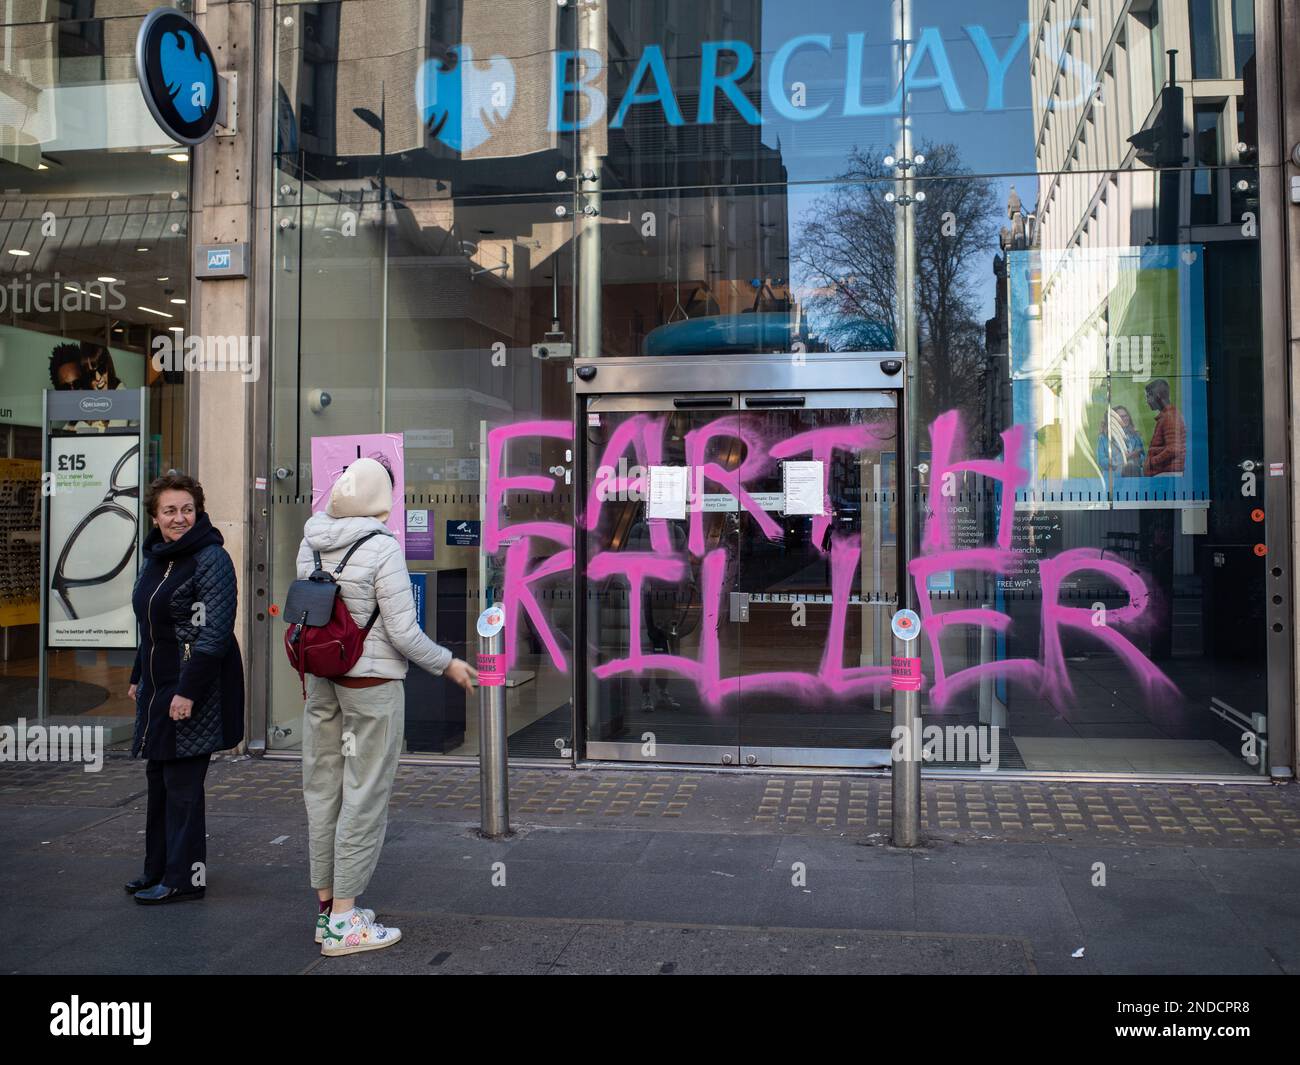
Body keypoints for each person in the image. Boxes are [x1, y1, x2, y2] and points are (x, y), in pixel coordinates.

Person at [297, 457, 476, 956]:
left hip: (320, 677)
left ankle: (328, 908)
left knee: (323, 787)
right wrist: (447, 664)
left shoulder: (311, 539)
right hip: (370, 682)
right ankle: (346, 921)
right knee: (365, 790)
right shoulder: (381, 548)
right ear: (381, 498)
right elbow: (402, 633)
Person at [127, 473, 244, 904]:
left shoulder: (211, 558)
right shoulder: (157, 556)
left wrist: (187, 692)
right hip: (159, 687)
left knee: (183, 788)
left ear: (199, 511)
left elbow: (214, 634)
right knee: (158, 780)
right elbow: (149, 627)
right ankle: (155, 870)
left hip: (195, 686)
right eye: (170, 511)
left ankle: (184, 878)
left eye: (187, 509)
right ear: (155, 517)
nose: (180, 518)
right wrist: (138, 676)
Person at [1143, 379, 1187, 476]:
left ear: (1157, 396)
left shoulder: (1170, 417)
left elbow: (1173, 448)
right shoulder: (1168, 416)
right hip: (1166, 474)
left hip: (1167, 474)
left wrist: (1152, 462)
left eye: (1148, 396)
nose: (1147, 401)